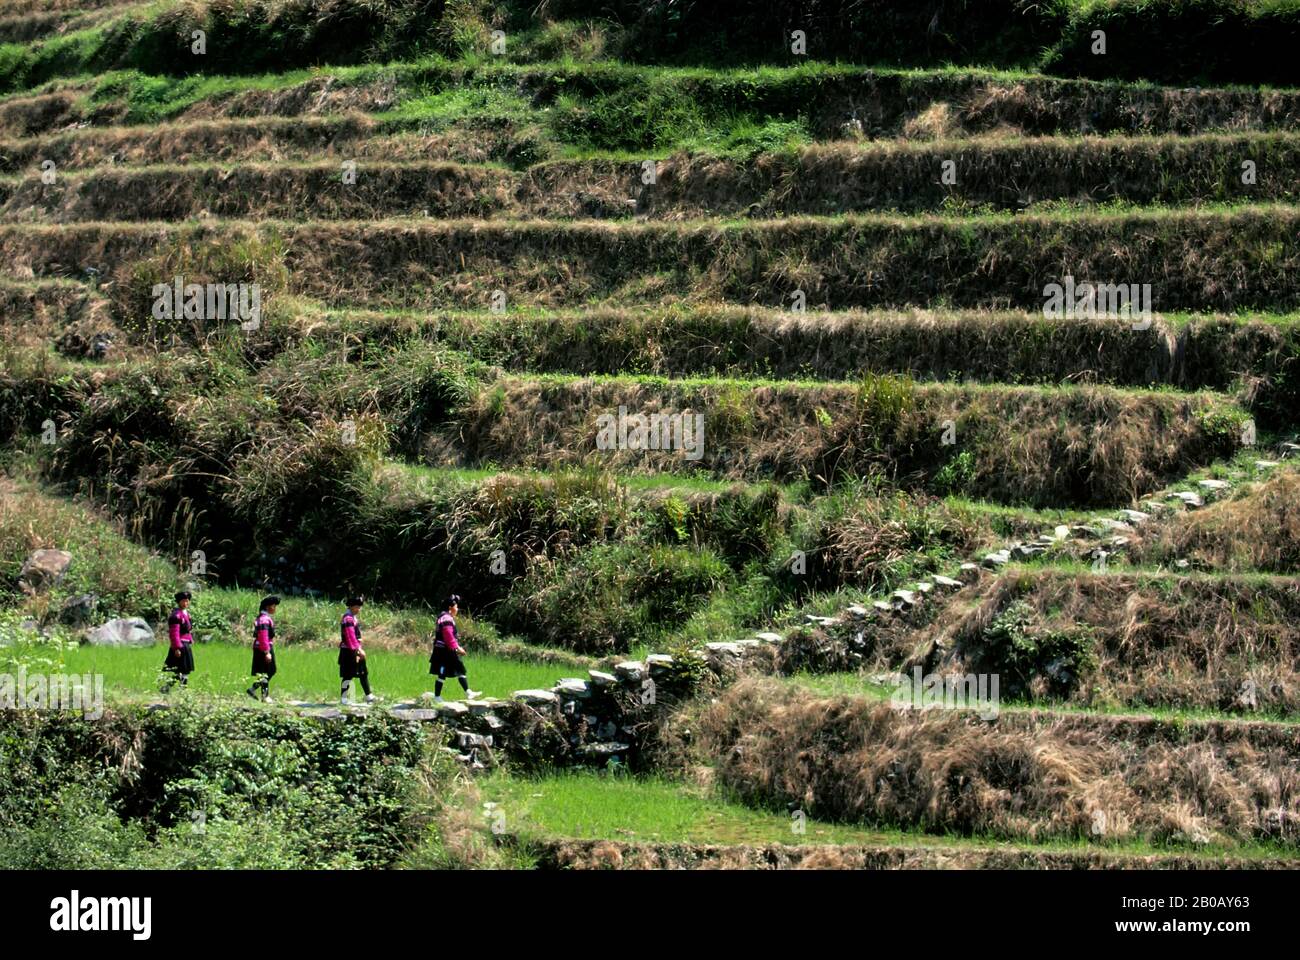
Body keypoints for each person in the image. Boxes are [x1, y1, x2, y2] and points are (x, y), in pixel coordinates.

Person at [429, 594, 479, 702]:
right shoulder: (446, 618)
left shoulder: (443, 617)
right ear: (450, 608)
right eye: (456, 607)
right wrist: (457, 648)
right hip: (445, 651)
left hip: (444, 650)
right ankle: (437, 696)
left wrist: (456, 647)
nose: (457, 609)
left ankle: (467, 692)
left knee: (457, 669)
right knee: (446, 672)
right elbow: (448, 636)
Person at [339, 596, 377, 705]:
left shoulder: (352, 618)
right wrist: (358, 650)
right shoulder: (348, 619)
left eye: (359, 607)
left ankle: (368, 695)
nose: (358, 609)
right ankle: (344, 698)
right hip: (349, 651)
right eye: (356, 607)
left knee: (363, 673)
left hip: (354, 649)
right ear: (350, 607)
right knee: (348, 675)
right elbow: (350, 636)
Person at [247, 595, 279, 702]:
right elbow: (263, 636)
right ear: (268, 607)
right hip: (263, 648)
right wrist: (267, 652)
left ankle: (254, 690)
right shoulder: (264, 620)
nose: (275, 608)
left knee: (266, 672)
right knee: (268, 671)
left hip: (262, 647)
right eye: (274, 606)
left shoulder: (263, 618)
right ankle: (264, 696)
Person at [161, 590, 195, 692]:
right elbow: (174, 633)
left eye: (187, 600)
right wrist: (176, 648)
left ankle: (168, 688)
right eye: (184, 601)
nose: (186, 603)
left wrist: (190, 640)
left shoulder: (186, 614)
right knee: (182, 669)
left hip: (186, 644)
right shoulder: (176, 616)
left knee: (183, 670)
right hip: (180, 645)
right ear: (179, 602)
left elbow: (188, 630)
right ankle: (181, 690)